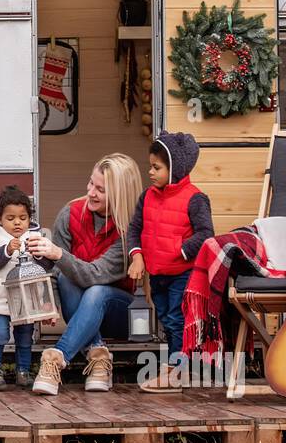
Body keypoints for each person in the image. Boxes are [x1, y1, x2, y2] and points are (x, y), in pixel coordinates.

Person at [26, 154, 143, 396]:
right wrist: (50, 304)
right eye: (91, 183)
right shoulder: (70, 214)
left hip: (118, 313)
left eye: (100, 189)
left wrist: (58, 254)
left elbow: (94, 275)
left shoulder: (128, 232)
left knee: (96, 290)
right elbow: (57, 270)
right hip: (79, 307)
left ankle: (55, 360)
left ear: (119, 195)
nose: (90, 192)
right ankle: (99, 359)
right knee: (66, 276)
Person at [126, 132, 214, 392]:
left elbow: (206, 234)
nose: (150, 172)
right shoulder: (147, 197)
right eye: (150, 166)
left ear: (175, 168)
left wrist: (180, 250)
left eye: (157, 167)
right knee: (165, 318)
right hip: (157, 273)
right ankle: (178, 368)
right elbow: (134, 229)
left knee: (176, 319)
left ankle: (174, 371)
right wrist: (137, 256)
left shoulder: (195, 198)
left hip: (182, 273)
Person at [0, 185, 53, 390]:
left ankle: (23, 371)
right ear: (0, 218)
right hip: (0, 299)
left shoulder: (35, 237)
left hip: (27, 299)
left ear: (29, 218)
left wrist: (39, 253)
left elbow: (47, 266)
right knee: (0, 335)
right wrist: (6, 250)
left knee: (24, 337)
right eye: (11, 218)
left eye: (22, 218)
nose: (17, 223)